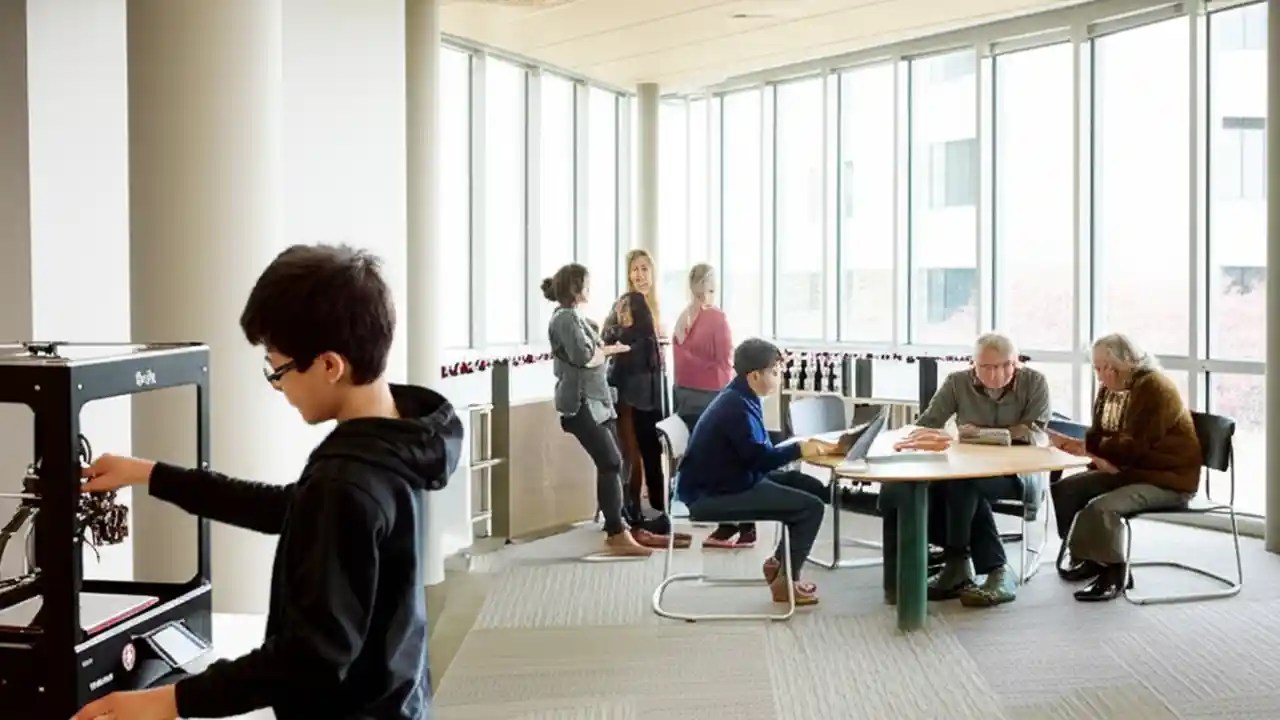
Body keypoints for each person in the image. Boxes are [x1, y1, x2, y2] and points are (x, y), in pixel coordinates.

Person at [72, 244, 463, 720]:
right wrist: (149, 474)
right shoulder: (400, 437)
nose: (278, 387)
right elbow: (287, 507)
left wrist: (168, 702)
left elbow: (310, 660)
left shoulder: (348, 480)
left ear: (329, 365)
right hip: (398, 697)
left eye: (277, 370)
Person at [883, 332, 1050, 608]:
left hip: (1018, 473)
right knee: (923, 486)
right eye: (988, 367)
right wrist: (924, 436)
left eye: (1005, 365)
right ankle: (982, 569)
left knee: (964, 485)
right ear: (974, 364)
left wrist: (985, 433)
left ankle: (960, 563)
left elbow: (1034, 429)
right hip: (966, 471)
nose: (997, 374)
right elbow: (929, 422)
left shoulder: (1035, 382)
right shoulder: (957, 383)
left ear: (1016, 361)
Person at [676, 338, 839, 606]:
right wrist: (801, 449)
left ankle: (778, 564)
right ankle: (786, 581)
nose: (779, 377)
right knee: (810, 508)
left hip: (730, 479)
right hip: (713, 495)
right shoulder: (737, 407)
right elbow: (760, 459)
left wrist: (800, 449)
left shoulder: (739, 396)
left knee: (805, 485)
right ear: (754, 375)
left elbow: (754, 453)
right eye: (774, 372)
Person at [1049, 333, 1201, 602]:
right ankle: (1089, 557)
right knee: (1067, 490)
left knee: (1102, 507)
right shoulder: (1110, 387)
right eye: (1097, 368)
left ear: (1123, 364)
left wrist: (1093, 450)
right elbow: (1100, 435)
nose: (1100, 376)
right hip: (1128, 469)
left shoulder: (1155, 388)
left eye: (1104, 368)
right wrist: (1092, 451)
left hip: (1166, 479)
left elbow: (1133, 446)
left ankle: (1115, 573)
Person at [543, 263, 658, 557]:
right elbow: (584, 357)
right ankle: (616, 532)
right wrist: (608, 351)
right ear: (576, 287)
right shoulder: (565, 319)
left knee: (611, 462)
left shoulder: (574, 317)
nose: (591, 289)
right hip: (581, 404)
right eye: (587, 283)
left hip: (596, 401)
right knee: (611, 461)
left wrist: (604, 350)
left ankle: (616, 528)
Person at [603, 249, 688, 545]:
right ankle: (635, 514)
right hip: (631, 390)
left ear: (652, 273)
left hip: (649, 388)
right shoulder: (629, 302)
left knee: (650, 450)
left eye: (644, 269)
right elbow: (609, 337)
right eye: (634, 269)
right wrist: (633, 340)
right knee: (636, 453)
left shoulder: (651, 305)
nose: (639, 275)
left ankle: (656, 512)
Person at [669, 263, 745, 549]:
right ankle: (733, 524)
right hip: (713, 395)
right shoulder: (716, 318)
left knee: (701, 458)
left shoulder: (681, 319)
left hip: (685, 397)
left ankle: (721, 518)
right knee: (726, 460)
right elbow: (726, 360)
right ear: (710, 287)